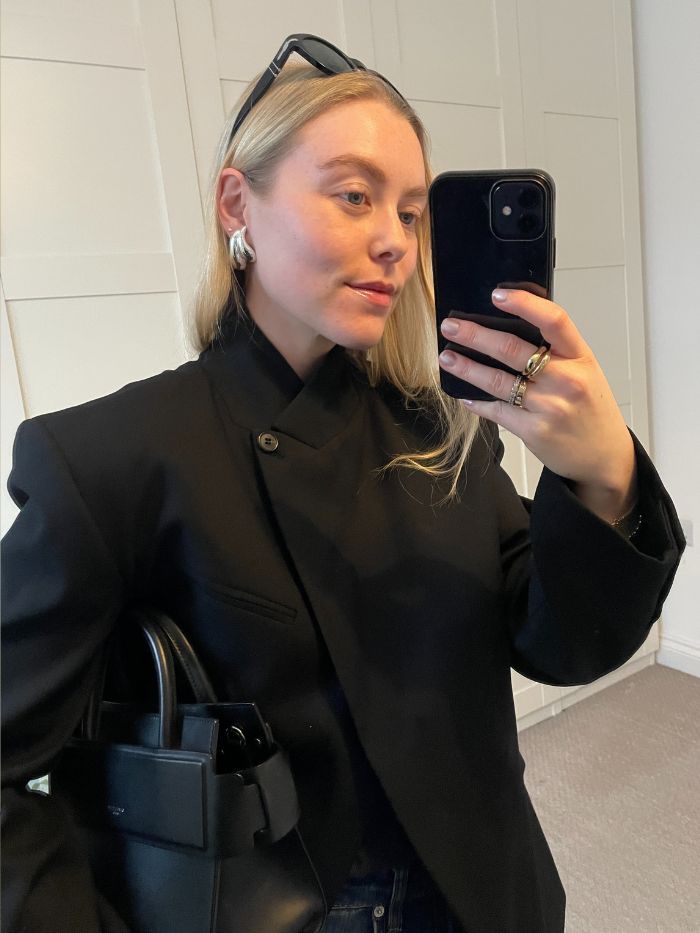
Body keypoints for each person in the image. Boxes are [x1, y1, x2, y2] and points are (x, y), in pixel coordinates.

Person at [1, 33, 685, 933]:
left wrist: (600, 478)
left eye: (409, 211)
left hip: (487, 894)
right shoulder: (113, 456)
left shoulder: (439, 428)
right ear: (236, 203)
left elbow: (556, 644)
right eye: (354, 195)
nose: (394, 243)